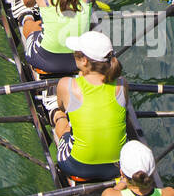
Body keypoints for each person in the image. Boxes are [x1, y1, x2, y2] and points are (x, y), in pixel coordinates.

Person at [51, 30, 125, 181]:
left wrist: (60, 114)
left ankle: (57, 120)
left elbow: (62, 107)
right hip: (118, 166)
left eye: (76, 52)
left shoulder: (67, 84)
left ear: (84, 60)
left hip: (78, 166)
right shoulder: (122, 84)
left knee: (59, 115)